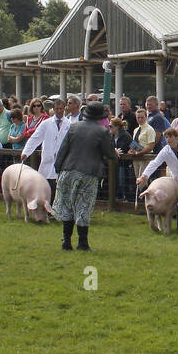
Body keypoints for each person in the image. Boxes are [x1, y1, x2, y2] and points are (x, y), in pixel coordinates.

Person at [52, 101, 115, 251]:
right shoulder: (102, 131)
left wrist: (58, 168)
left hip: (67, 170)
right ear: (100, 117)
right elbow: (110, 154)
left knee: (67, 206)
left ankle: (66, 242)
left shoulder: (73, 127)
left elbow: (62, 150)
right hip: (88, 173)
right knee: (83, 207)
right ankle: (82, 243)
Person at [21, 97, 71, 200]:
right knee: (48, 185)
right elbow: (35, 138)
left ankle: (56, 211)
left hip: (63, 160)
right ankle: (46, 208)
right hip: (48, 158)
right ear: (53, 109)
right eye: (57, 109)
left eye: (61, 108)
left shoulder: (69, 125)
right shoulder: (46, 123)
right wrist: (26, 152)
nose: (59, 111)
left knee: (60, 186)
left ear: (64, 109)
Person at [109, 116, 135, 202]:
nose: (109, 128)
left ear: (117, 127)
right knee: (114, 182)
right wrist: (113, 150)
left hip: (124, 164)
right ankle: (116, 199)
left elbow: (136, 147)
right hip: (114, 164)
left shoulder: (126, 135)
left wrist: (131, 151)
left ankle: (125, 199)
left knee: (123, 182)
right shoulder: (110, 136)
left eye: (111, 126)